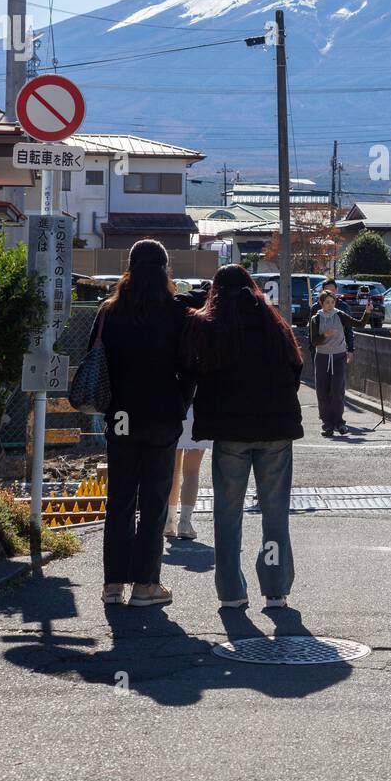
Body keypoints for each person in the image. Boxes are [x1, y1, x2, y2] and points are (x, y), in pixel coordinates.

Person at [183, 264, 303, 611]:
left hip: (230, 434)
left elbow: (194, 370)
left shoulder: (210, 326)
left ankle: (231, 592)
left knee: (227, 513)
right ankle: (276, 589)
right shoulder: (271, 321)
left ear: (216, 292)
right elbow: (295, 366)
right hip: (275, 431)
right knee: (275, 514)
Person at [92, 240, 203, 607]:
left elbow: (95, 356)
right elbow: (190, 368)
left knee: (120, 498)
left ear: (130, 267)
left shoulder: (111, 311)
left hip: (121, 416)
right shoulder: (177, 313)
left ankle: (112, 586)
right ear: (165, 269)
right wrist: (180, 403)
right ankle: (145, 585)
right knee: (154, 500)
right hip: (161, 416)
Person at [308, 286, 354, 437]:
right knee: (322, 391)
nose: (330, 305)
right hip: (322, 357)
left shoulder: (340, 315)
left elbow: (358, 323)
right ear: (321, 303)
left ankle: (339, 422)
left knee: (336, 391)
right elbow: (314, 341)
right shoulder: (316, 318)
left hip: (339, 356)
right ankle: (327, 424)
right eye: (327, 302)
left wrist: (367, 311)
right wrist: (325, 335)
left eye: (332, 302)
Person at [164, 406, 208, 540]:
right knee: (192, 472)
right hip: (197, 414)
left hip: (173, 413)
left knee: (173, 471)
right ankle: (185, 523)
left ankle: (170, 521)